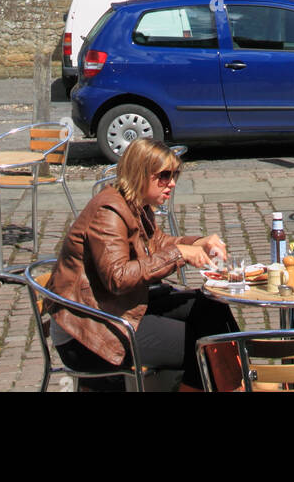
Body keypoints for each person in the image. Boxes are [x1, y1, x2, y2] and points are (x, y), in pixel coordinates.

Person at [46, 139, 239, 391]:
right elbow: (117, 277)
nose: (171, 183)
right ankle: (230, 383)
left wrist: (199, 242)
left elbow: (157, 243)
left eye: (175, 175)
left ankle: (236, 382)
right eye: (164, 175)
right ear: (139, 174)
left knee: (209, 308)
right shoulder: (109, 211)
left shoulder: (136, 204)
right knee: (199, 344)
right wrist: (180, 253)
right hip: (88, 332)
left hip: (114, 310)